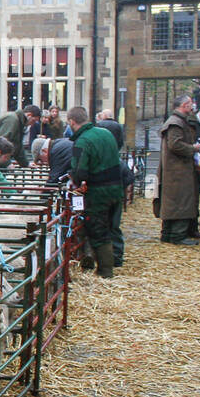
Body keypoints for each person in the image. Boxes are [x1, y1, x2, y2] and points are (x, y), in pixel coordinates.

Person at [68, 106, 123, 277]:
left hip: (99, 192)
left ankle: (106, 271)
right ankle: (114, 260)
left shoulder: (82, 142)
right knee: (113, 226)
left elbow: (79, 171)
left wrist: (74, 179)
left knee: (98, 229)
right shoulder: (106, 133)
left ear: (71, 122)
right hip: (117, 188)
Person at [156, 94, 200, 246]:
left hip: (179, 169)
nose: (193, 106)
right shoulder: (175, 123)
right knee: (180, 201)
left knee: (179, 201)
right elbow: (175, 145)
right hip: (177, 171)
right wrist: (193, 148)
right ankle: (177, 235)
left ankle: (170, 234)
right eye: (190, 104)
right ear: (184, 105)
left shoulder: (179, 121)